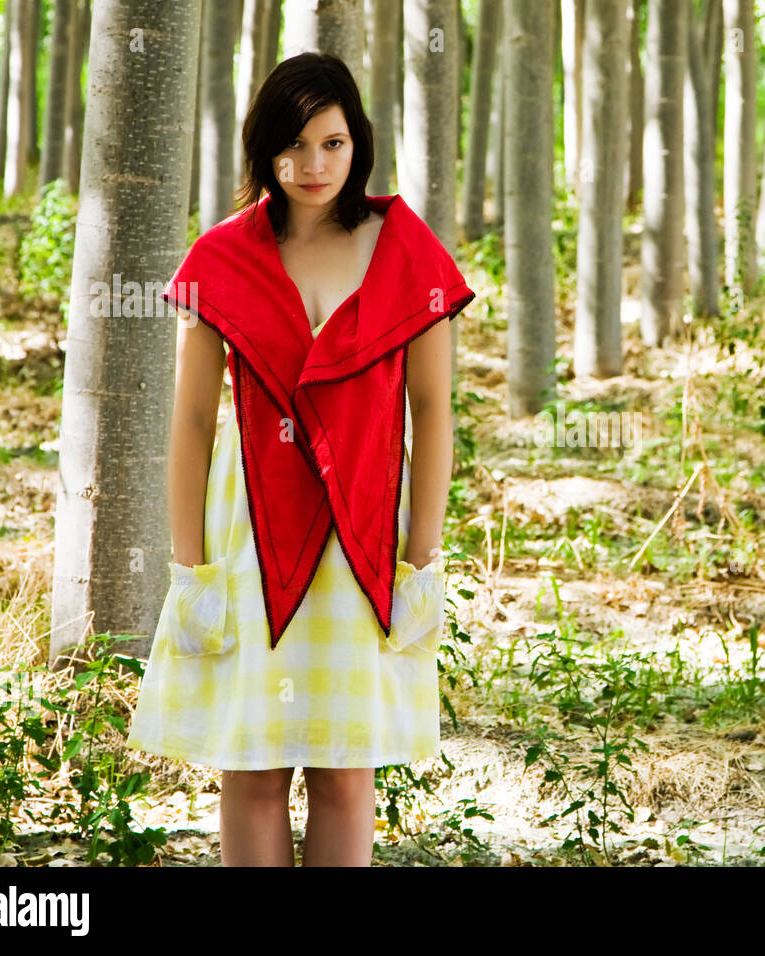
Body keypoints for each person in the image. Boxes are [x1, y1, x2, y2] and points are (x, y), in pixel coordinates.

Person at [125, 52, 474, 866]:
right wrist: (190, 569)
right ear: (263, 148)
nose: (313, 165)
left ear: (359, 146)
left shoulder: (407, 253)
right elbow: (189, 424)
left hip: (364, 530)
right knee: (250, 770)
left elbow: (433, 409)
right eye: (293, 145)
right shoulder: (220, 258)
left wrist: (422, 557)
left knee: (348, 773)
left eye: (333, 142)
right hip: (248, 530)